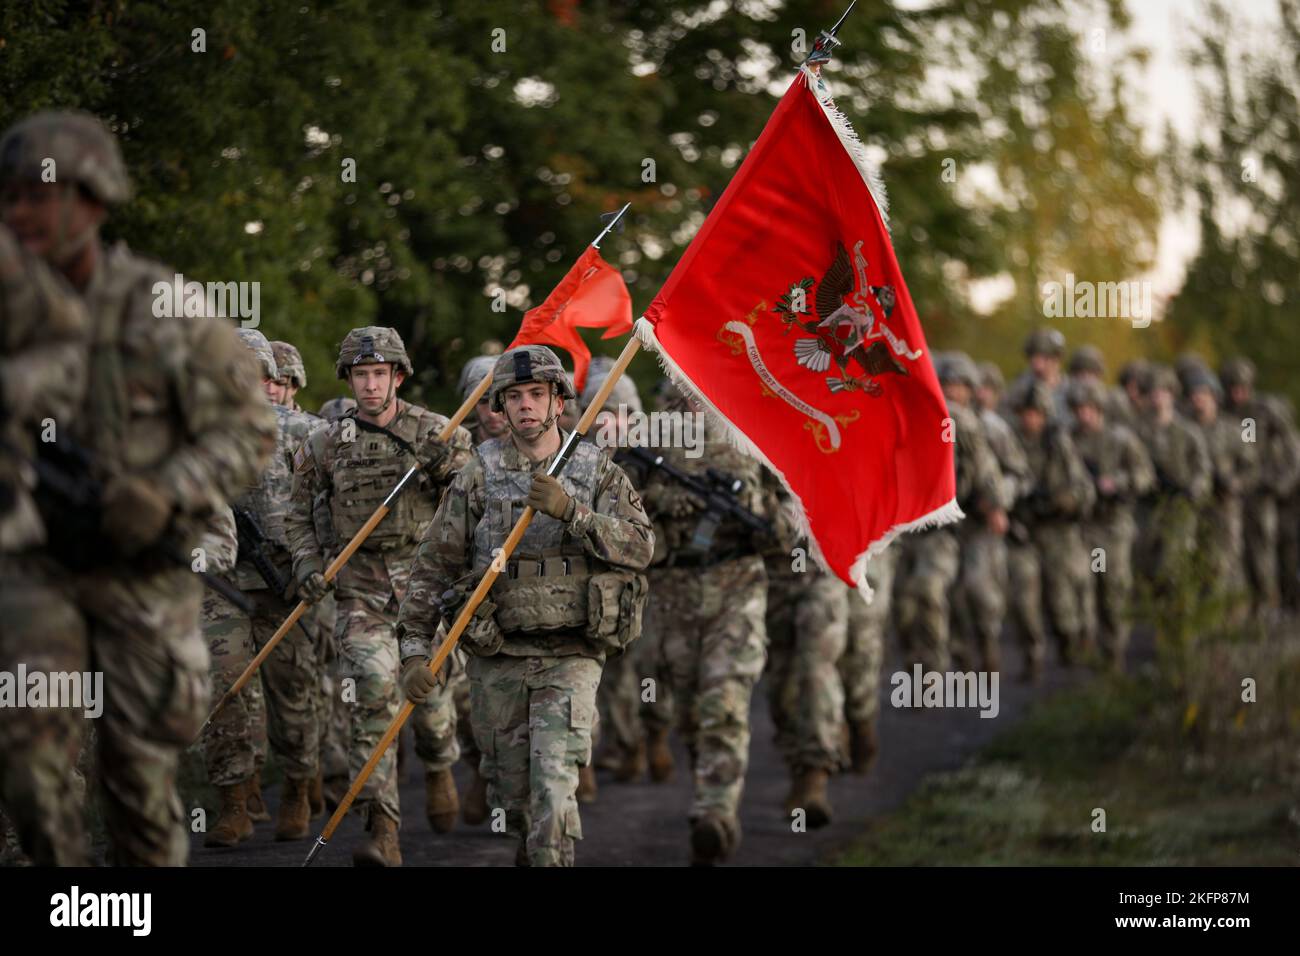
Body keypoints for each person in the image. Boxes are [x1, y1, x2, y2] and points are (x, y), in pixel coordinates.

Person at [0, 110, 277, 864]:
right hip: (34, 579)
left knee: (140, 784)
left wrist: (166, 489)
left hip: (137, 579)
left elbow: (251, 430)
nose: (19, 212)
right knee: (30, 772)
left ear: (90, 200)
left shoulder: (164, 307)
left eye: (38, 194)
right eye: (10, 196)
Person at [397, 345, 653, 866]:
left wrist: (575, 514)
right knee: (515, 797)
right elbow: (432, 568)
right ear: (499, 407)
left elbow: (640, 547)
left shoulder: (594, 468)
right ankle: (531, 847)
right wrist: (413, 653)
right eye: (513, 397)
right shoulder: (477, 474)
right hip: (497, 659)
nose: (526, 406)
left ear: (559, 401)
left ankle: (548, 853)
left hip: (572, 655)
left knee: (554, 792)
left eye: (537, 394)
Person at [285, 326, 472, 866]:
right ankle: (383, 828)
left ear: (398, 376)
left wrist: (445, 468)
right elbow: (298, 513)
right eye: (360, 375)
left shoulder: (438, 433)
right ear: (350, 379)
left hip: (424, 592)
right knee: (370, 696)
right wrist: (307, 562)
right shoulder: (324, 443)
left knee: (432, 703)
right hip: (360, 592)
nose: (370, 385)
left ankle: (439, 764)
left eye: (379, 374)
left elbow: (474, 502)